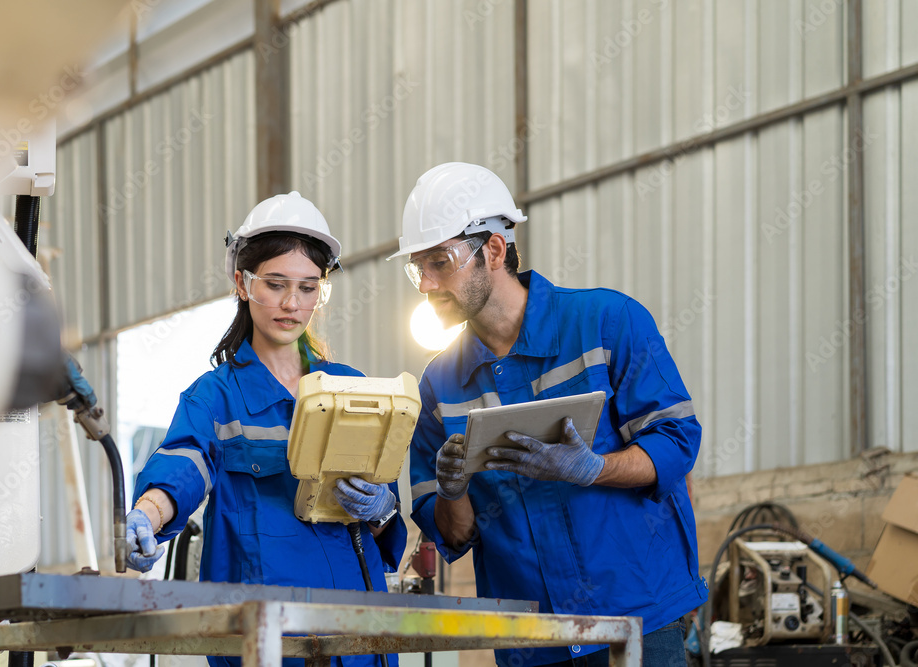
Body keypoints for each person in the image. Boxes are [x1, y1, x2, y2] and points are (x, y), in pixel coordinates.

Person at [390, 163, 706, 667]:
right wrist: (453, 489)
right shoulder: (439, 386)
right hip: (535, 641)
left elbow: (675, 443)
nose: (426, 284)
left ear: (493, 250)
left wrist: (595, 468)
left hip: (638, 619)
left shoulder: (606, 323)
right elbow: (453, 534)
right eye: (416, 268)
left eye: (440, 261)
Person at [127, 191, 407, 667]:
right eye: (276, 284)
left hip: (358, 639)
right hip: (266, 642)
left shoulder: (354, 389)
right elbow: (183, 469)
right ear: (243, 282)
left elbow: (381, 525)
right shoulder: (215, 397)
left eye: (308, 287)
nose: (292, 304)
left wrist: (382, 508)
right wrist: (146, 517)